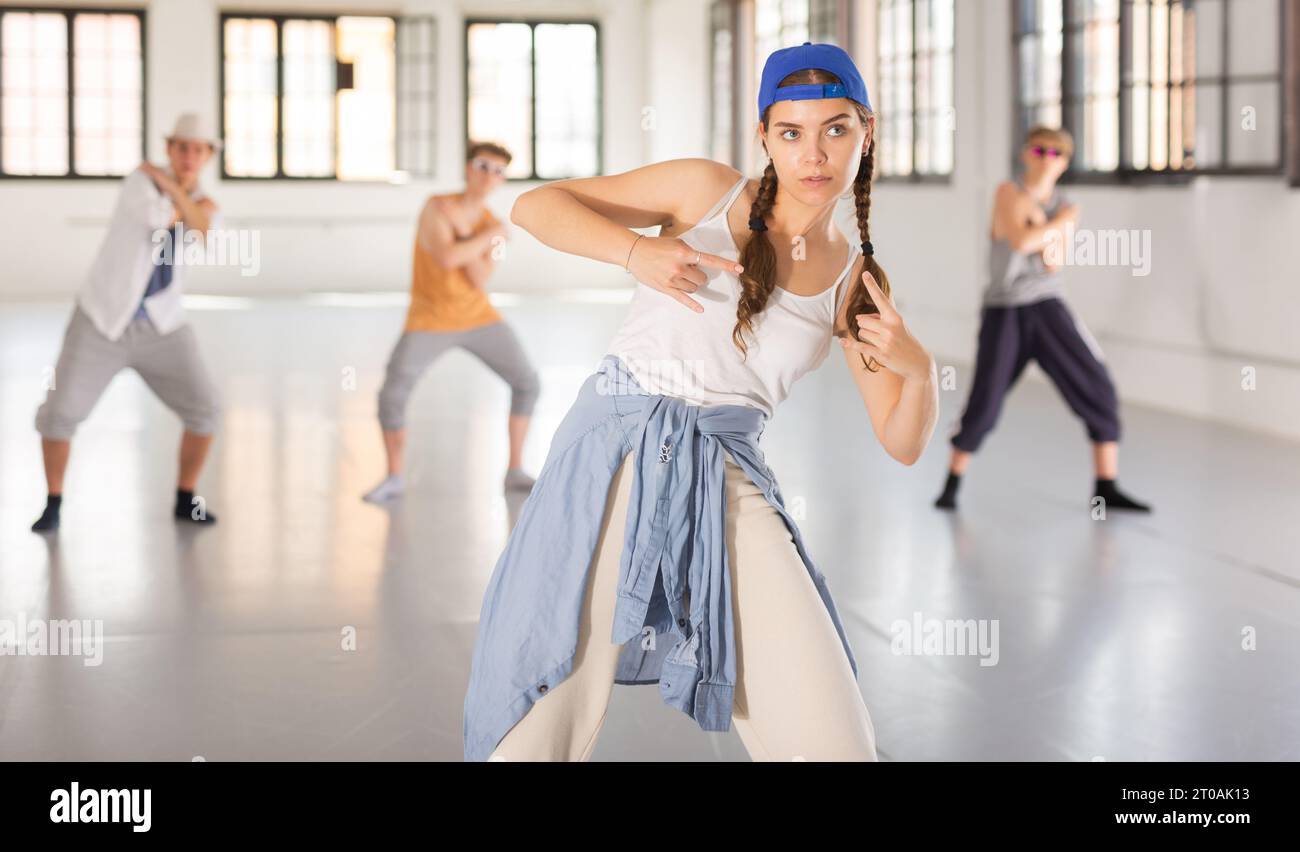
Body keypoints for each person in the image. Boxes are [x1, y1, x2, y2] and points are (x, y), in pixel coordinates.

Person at [462, 43, 939, 762]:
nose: (814, 154)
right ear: (764, 137)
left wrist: (921, 370)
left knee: (833, 733)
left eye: (835, 129)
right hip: (613, 448)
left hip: (728, 470)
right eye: (791, 132)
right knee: (539, 704)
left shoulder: (855, 279)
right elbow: (535, 207)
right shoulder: (703, 190)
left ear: (866, 131)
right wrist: (634, 252)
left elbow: (901, 441)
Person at [934, 126, 1152, 513]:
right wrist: (1055, 223)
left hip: (1048, 305)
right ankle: (952, 483)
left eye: (1056, 153)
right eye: (1039, 150)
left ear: (1065, 162)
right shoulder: (1008, 192)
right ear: (1025, 153)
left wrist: (1043, 222)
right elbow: (1020, 242)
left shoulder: (1064, 202)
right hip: (1005, 309)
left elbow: (1052, 262)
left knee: (1097, 385)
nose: (1046, 159)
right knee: (985, 400)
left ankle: (1106, 486)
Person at [31, 113, 224, 533]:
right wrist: (186, 202)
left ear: (209, 155)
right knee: (60, 414)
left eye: (198, 149)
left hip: (162, 324)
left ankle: (184, 499)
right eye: (181, 148)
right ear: (169, 148)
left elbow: (207, 230)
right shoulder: (139, 185)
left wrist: (173, 187)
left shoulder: (187, 193)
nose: (189, 156)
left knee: (206, 409)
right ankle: (54, 502)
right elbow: (162, 219)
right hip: (103, 320)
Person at [363, 142, 541, 503]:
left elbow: (478, 278)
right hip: (428, 318)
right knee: (392, 393)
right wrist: (482, 237)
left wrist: (468, 230)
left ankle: (515, 470)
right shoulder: (435, 205)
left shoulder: (490, 223)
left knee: (527, 382)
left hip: (478, 316)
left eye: (498, 170)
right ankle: (394, 476)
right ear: (467, 168)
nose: (489, 175)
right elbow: (446, 258)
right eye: (482, 165)